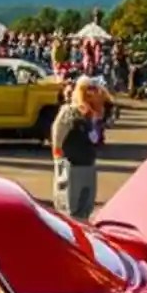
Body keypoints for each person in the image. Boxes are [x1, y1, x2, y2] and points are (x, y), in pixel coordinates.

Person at [51, 76, 102, 220]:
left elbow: (95, 138)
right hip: (70, 164)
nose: (91, 94)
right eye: (87, 90)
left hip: (88, 163)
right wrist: (58, 157)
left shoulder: (92, 114)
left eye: (93, 90)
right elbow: (57, 133)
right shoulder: (69, 111)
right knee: (70, 205)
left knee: (86, 205)